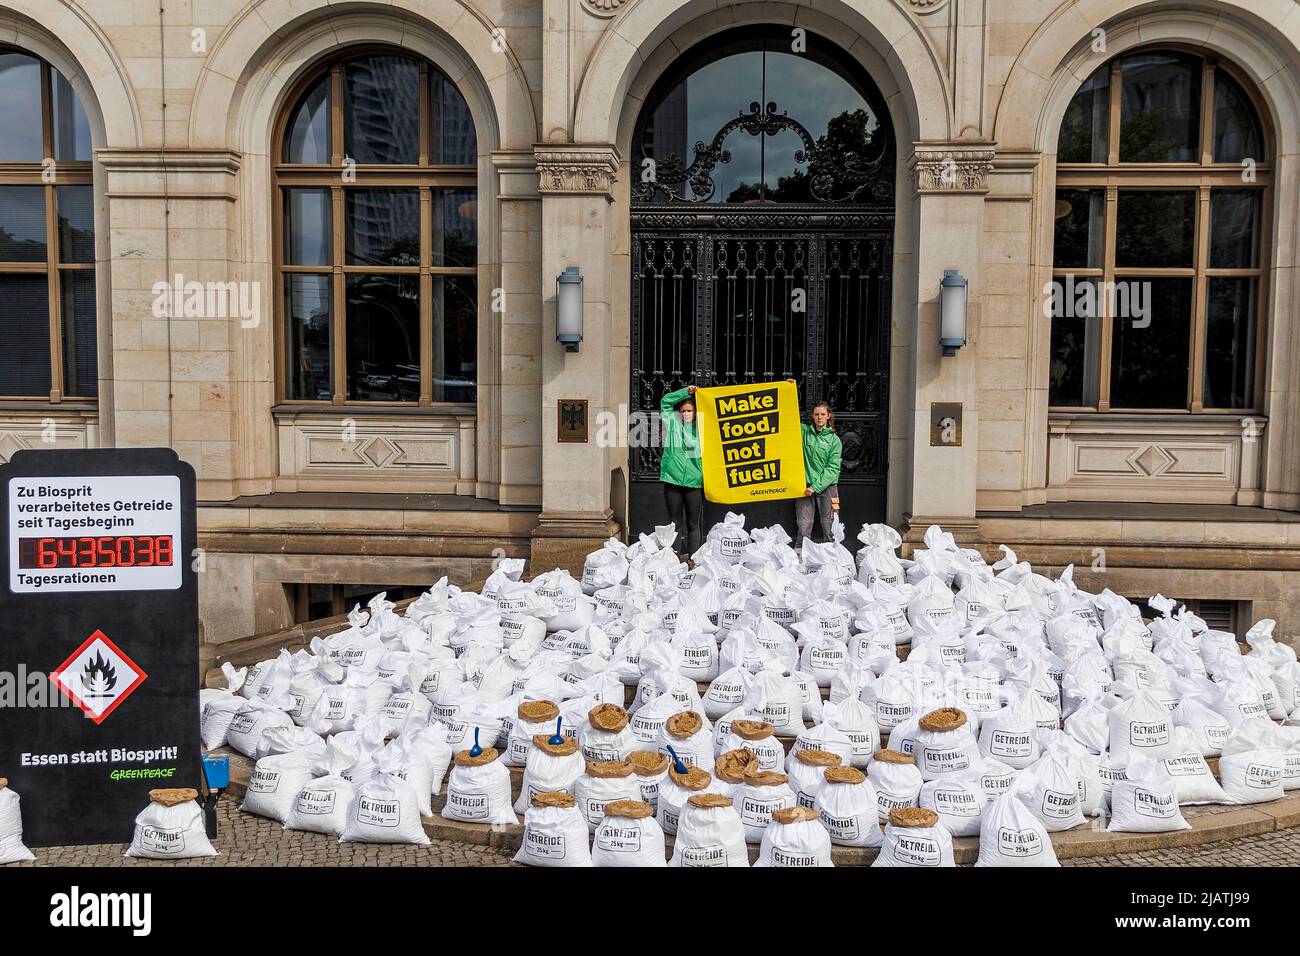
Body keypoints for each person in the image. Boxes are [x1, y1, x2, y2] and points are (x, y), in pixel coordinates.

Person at [659, 384, 704, 558]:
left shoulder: (702, 430)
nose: (686, 414)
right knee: (674, 523)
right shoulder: (673, 424)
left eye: (689, 411)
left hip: (694, 482)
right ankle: (674, 558)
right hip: (673, 481)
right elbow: (665, 402)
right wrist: (686, 392)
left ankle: (692, 560)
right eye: (683, 411)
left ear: (695, 413)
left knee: (693, 524)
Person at [796, 399, 842, 546]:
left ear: (828, 416)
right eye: (816, 414)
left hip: (827, 487)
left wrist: (815, 487)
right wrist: (788, 389)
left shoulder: (834, 440)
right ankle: (801, 557)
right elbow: (787, 417)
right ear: (812, 416)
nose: (819, 417)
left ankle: (832, 559)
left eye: (823, 414)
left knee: (830, 527)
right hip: (805, 487)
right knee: (803, 527)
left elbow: (833, 469)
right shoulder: (804, 432)